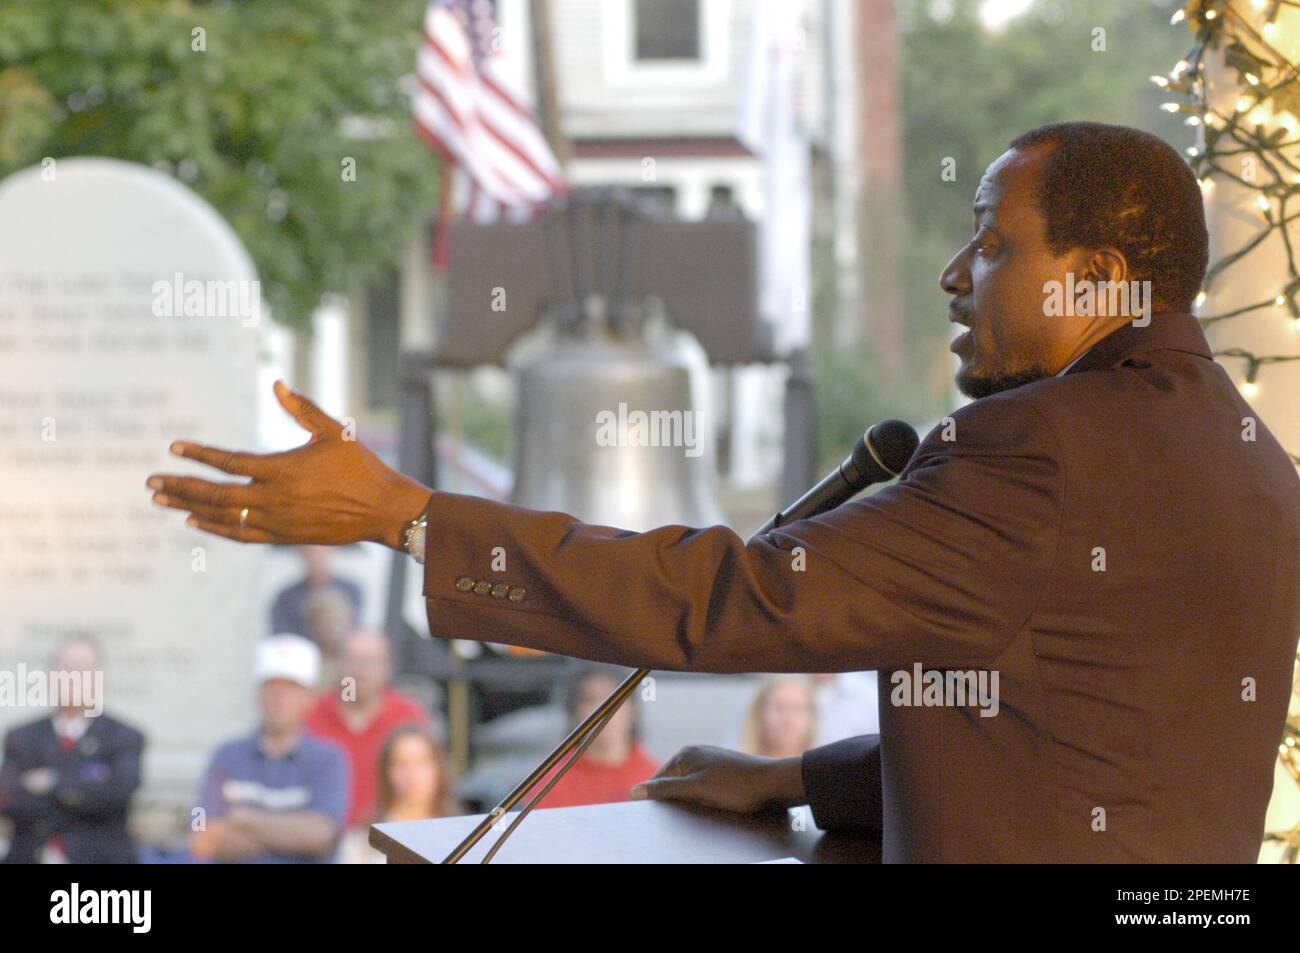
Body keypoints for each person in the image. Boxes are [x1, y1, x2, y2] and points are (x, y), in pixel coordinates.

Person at [146, 121, 1300, 863]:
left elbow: (738, 597)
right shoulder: (1246, 451)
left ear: (1096, 278)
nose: (955, 274)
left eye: (993, 246)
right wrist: (797, 778)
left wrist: (403, 514)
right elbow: (1065, 732)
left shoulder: (1034, 450)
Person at [192, 635, 350, 863]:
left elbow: (320, 835)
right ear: (258, 694)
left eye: (291, 688)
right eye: (271, 687)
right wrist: (293, 836)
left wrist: (242, 818)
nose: (280, 698)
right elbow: (202, 837)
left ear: (310, 699)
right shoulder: (226, 756)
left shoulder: (329, 760)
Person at [0, 637, 144, 864]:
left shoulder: (123, 737)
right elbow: (11, 799)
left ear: (102, 681)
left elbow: (117, 793)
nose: (74, 678)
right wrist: (83, 787)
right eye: (66, 668)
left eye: (84, 669)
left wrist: (53, 781)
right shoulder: (22, 737)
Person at [305, 629, 431, 827]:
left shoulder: (407, 716)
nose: (361, 671)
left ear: (388, 668)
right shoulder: (312, 713)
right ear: (339, 665)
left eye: (371, 662)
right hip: (319, 833)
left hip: (387, 831)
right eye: (354, 660)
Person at [533, 665, 659, 809]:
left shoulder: (656, 779)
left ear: (632, 707)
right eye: (590, 700)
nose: (603, 711)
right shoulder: (549, 784)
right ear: (573, 711)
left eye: (614, 699)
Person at [338, 723, 457, 864]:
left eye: (422, 762)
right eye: (401, 764)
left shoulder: (464, 835)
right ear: (386, 772)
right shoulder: (363, 839)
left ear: (439, 768)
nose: (412, 775)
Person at [270, 545, 363, 640]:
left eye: (321, 546)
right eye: (309, 548)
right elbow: (283, 638)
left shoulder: (351, 590)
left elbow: (356, 630)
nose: (316, 552)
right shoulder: (286, 598)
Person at [738, 676, 818, 759]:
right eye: (779, 707)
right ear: (759, 714)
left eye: (797, 708)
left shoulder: (823, 766)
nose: (788, 720)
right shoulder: (735, 765)